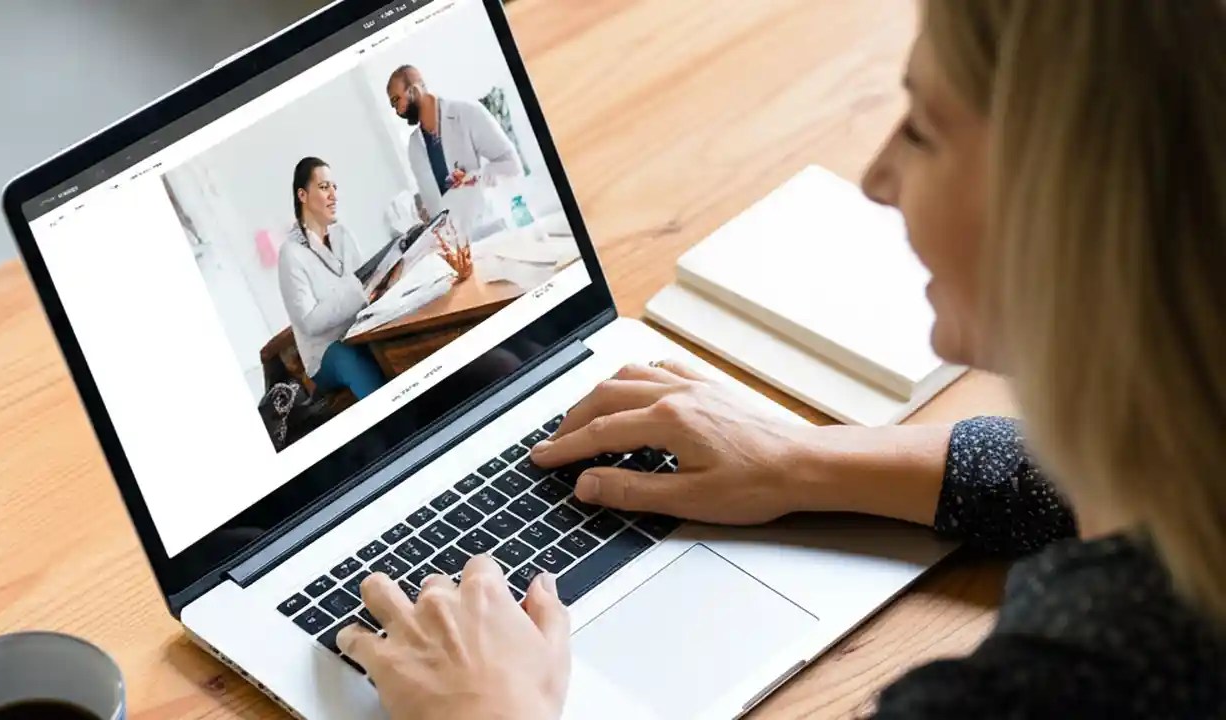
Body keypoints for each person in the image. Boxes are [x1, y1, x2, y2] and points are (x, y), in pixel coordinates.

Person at [337, 2, 1226, 718]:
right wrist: (810, 457)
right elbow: (1094, 483)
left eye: (923, 130)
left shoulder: (1066, 684)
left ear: (1072, 190)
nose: (878, 176)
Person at [278, 157, 387, 400]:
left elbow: (365, 283)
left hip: (361, 331)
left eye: (334, 187)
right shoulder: (290, 254)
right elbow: (309, 322)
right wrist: (357, 295)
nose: (333, 195)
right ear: (303, 196)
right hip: (326, 354)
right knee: (351, 360)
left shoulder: (343, 234)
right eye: (324, 187)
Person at [386, 64, 522, 218]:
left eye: (397, 100)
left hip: (489, 220)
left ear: (414, 90)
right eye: (393, 105)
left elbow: (511, 164)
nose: (397, 110)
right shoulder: (414, 146)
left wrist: (473, 180)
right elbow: (433, 203)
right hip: (453, 237)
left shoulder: (467, 112)